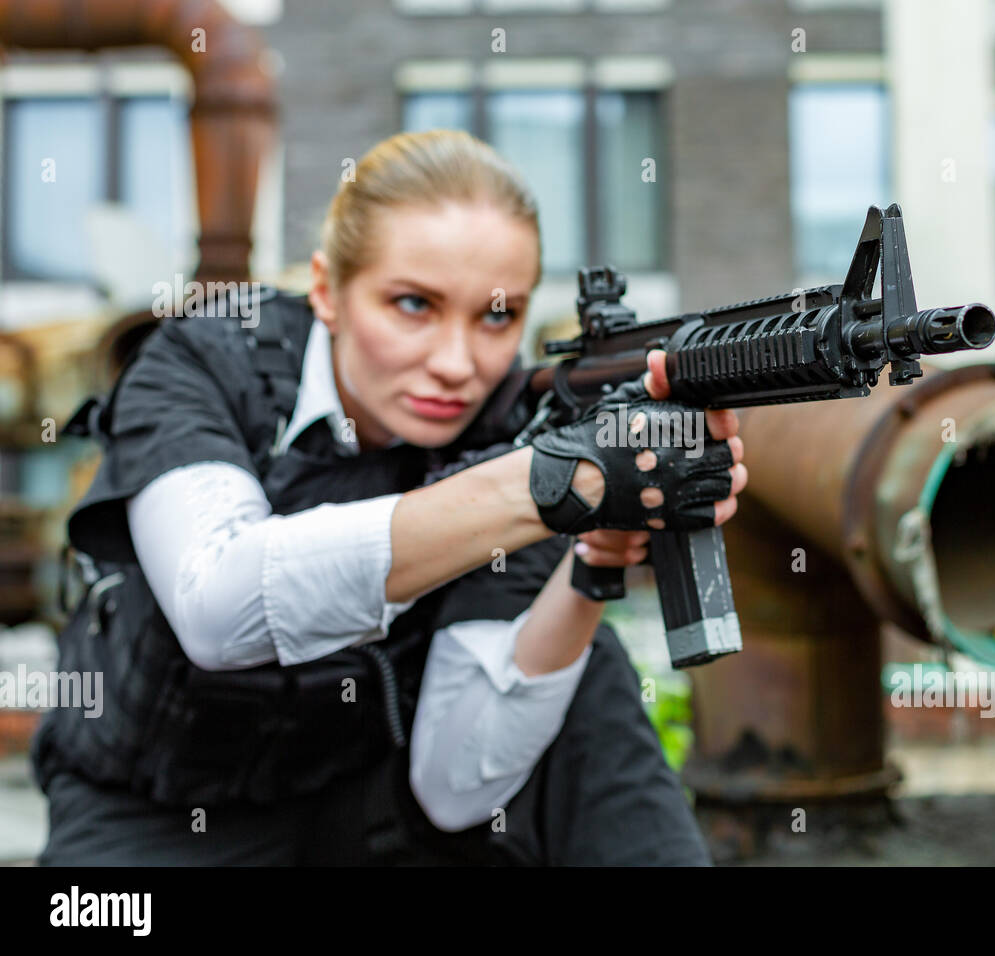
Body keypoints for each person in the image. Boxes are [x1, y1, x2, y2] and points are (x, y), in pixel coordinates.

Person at [32, 129, 747, 865]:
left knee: (579, 653)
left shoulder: (508, 424)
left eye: (497, 316)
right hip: (153, 812)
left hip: (366, 797)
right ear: (326, 291)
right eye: (412, 304)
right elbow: (217, 604)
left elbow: (455, 786)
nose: (456, 364)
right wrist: (549, 482)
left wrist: (592, 564)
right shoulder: (203, 360)